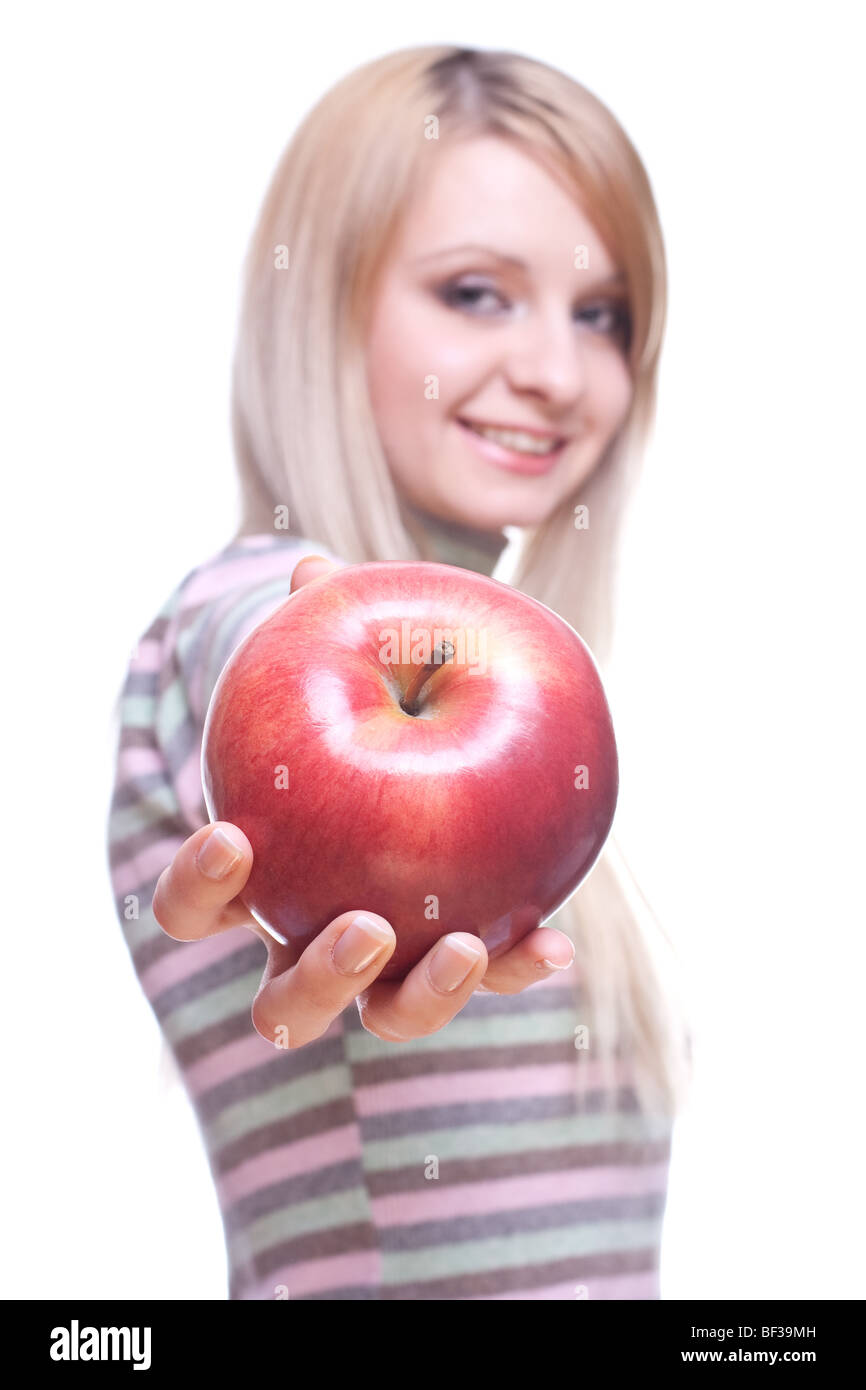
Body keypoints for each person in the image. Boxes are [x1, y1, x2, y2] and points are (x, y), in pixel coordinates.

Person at [107, 44, 691, 1300]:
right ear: (319, 302)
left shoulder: (517, 731)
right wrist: (305, 746)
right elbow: (265, 651)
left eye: (602, 313)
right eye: (477, 293)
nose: (553, 369)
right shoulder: (241, 613)